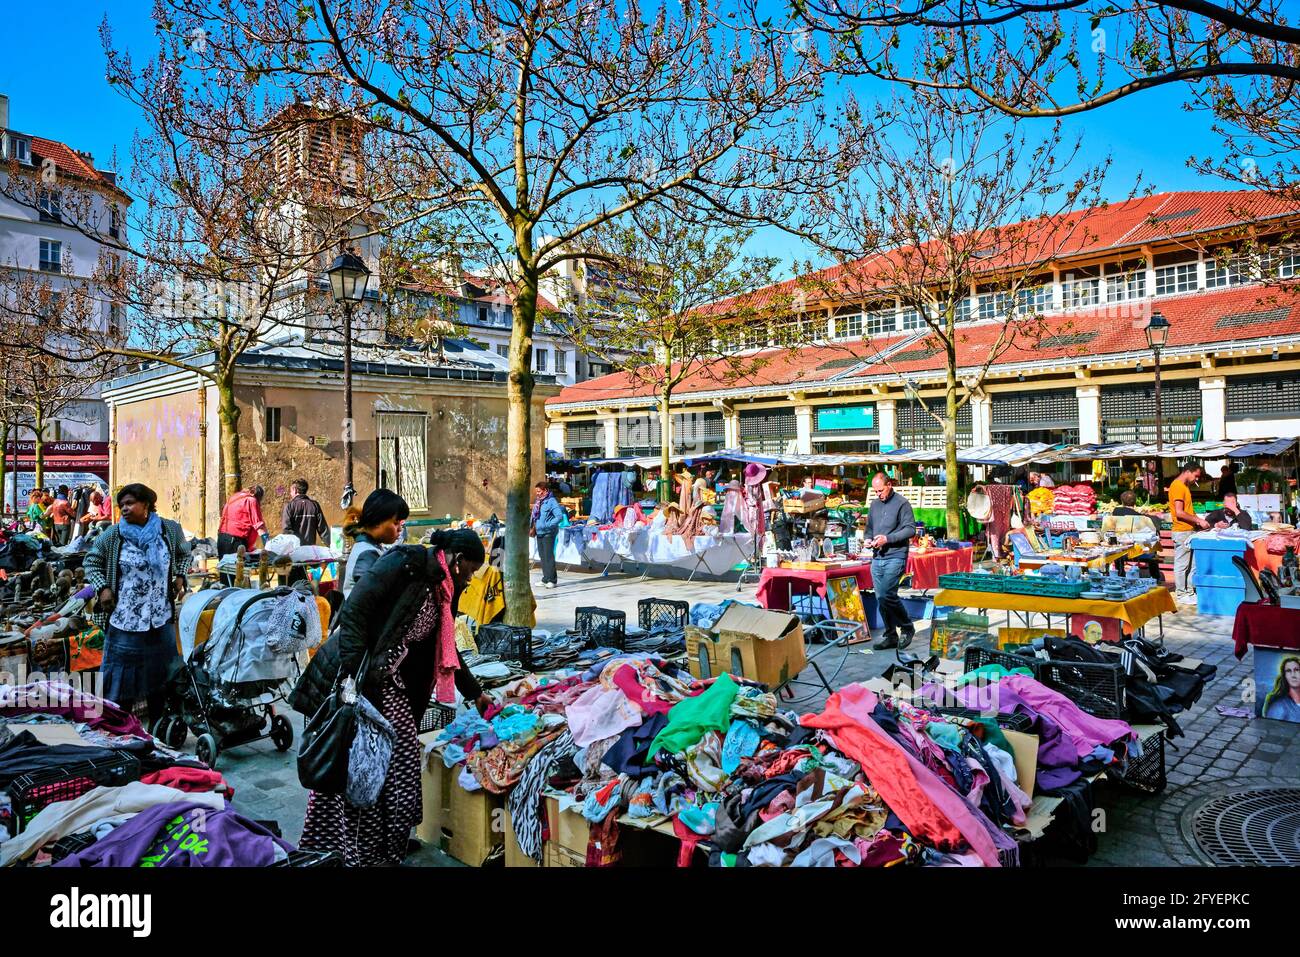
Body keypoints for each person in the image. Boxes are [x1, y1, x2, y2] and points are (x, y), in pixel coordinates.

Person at [292, 528, 488, 867]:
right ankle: (358, 851)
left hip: (389, 682)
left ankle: (383, 848)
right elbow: (354, 612)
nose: (471, 579)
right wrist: (356, 676)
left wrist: (475, 692)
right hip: (363, 679)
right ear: (457, 561)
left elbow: (446, 649)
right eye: (470, 570)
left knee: (396, 766)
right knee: (364, 767)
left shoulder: (443, 590)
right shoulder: (405, 563)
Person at [83, 483, 190, 726]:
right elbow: (91, 561)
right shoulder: (114, 535)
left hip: (159, 620)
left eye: (130, 503)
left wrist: (180, 576)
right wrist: (103, 588)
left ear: (146, 505)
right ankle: (120, 729)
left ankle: (160, 728)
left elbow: (184, 553)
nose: (125, 509)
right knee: (121, 684)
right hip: (125, 622)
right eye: (122, 505)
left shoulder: (168, 530)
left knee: (161, 678)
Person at [866, 472, 917, 650]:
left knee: (888, 594)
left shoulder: (902, 503)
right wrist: (867, 539)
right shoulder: (874, 504)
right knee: (881, 598)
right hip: (877, 557)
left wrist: (887, 539)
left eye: (880, 490)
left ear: (889, 485)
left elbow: (911, 529)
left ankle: (907, 627)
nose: (878, 494)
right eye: (875, 491)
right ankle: (890, 635)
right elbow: (869, 528)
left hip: (895, 555)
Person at [342, 489, 409, 597]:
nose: (400, 529)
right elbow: (374, 598)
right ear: (377, 521)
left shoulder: (371, 547)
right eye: (396, 523)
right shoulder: (367, 554)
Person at [1168, 463, 1210, 602]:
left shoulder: (1183, 487)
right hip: (1182, 531)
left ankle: (1190, 592)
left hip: (1188, 531)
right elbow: (1179, 512)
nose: (1196, 479)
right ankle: (1181, 593)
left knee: (1192, 565)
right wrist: (1198, 520)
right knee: (1182, 565)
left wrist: (1197, 520)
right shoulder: (1178, 486)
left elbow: (1186, 510)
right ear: (1188, 471)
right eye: (1196, 476)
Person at [1112, 490, 1162, 581]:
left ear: (1122, 502)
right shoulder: (1143, 518)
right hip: (1142, 552)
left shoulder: (1116, 512)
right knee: (1152, 547)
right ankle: (1155, 577)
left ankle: (1120, 574)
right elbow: (1156, 523)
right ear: (1135, 502)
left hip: (1121, 552)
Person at [531, 480, 566, 589]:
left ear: (545, 490)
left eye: (539, 491)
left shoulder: (551, 501)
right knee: (542, 556)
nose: (537, 493)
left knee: (548, 556)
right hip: (539, 532)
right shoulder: (539, 501)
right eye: (536, 491)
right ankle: (545, 578)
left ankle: (552, 580)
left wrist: (547, 525)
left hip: (548, 532)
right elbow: (534, 516)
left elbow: (559, 516)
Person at [218, 485, 269, 557]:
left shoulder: (234, 497)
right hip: (235, 541)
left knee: (224, 567)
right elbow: (260, 527)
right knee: (239, 567)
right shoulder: (252, 500)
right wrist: (268, 547)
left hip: (222, 539)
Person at [282, 478, 331, 547]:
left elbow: (286, 530)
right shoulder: (314, 505)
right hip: (310, 551)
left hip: (295, 551)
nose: (290, 494)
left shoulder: (289, 506)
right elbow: (323, 530)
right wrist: (331, 547)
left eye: (291, 491)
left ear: (295, 490)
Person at [1263, 656, 1300, 722]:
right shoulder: (1279, 707)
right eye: (1288, 671)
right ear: (1284, 676)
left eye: (1297, 670)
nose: (1293, 675)